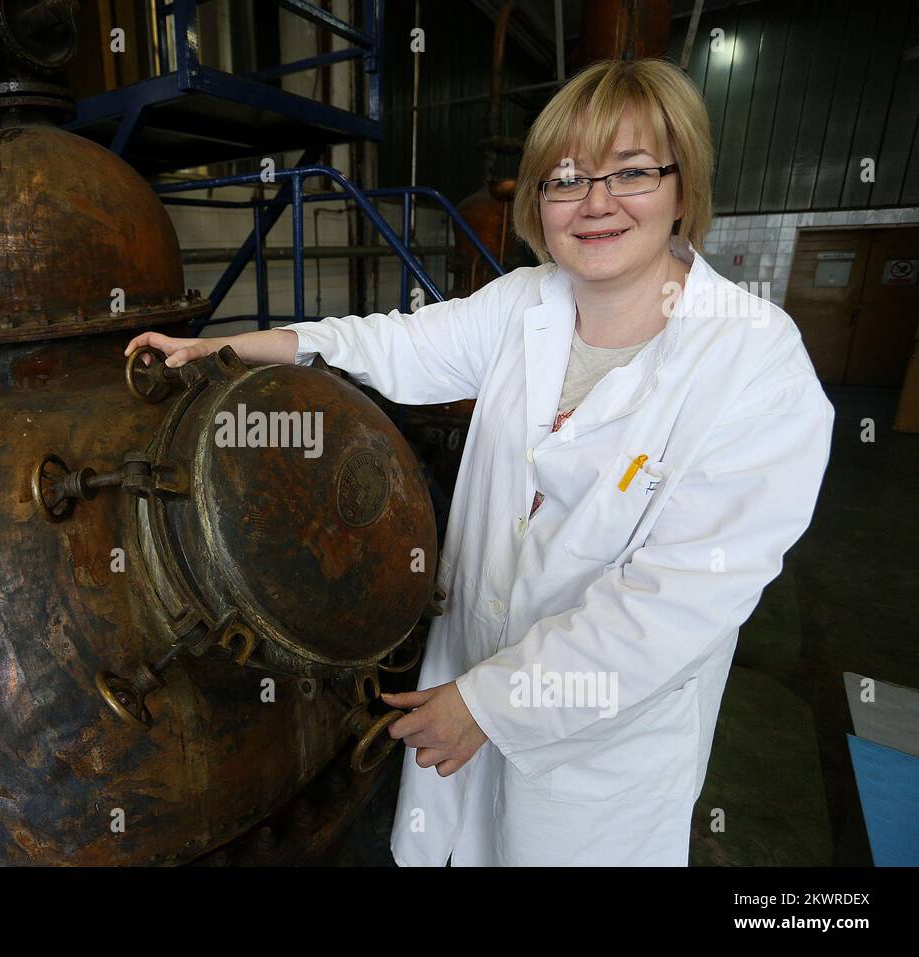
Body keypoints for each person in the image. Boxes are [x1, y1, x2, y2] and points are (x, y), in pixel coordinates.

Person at [124, 58, 833, 866]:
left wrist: (493, 704)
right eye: (565, 180)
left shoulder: (755, 361)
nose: (596, 203)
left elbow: (674, 605)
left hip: (600, 761)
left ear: (682, 185)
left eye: (631, 172)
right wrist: (222, 347)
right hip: (461, 699)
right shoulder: (525, 303)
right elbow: (379, 344)